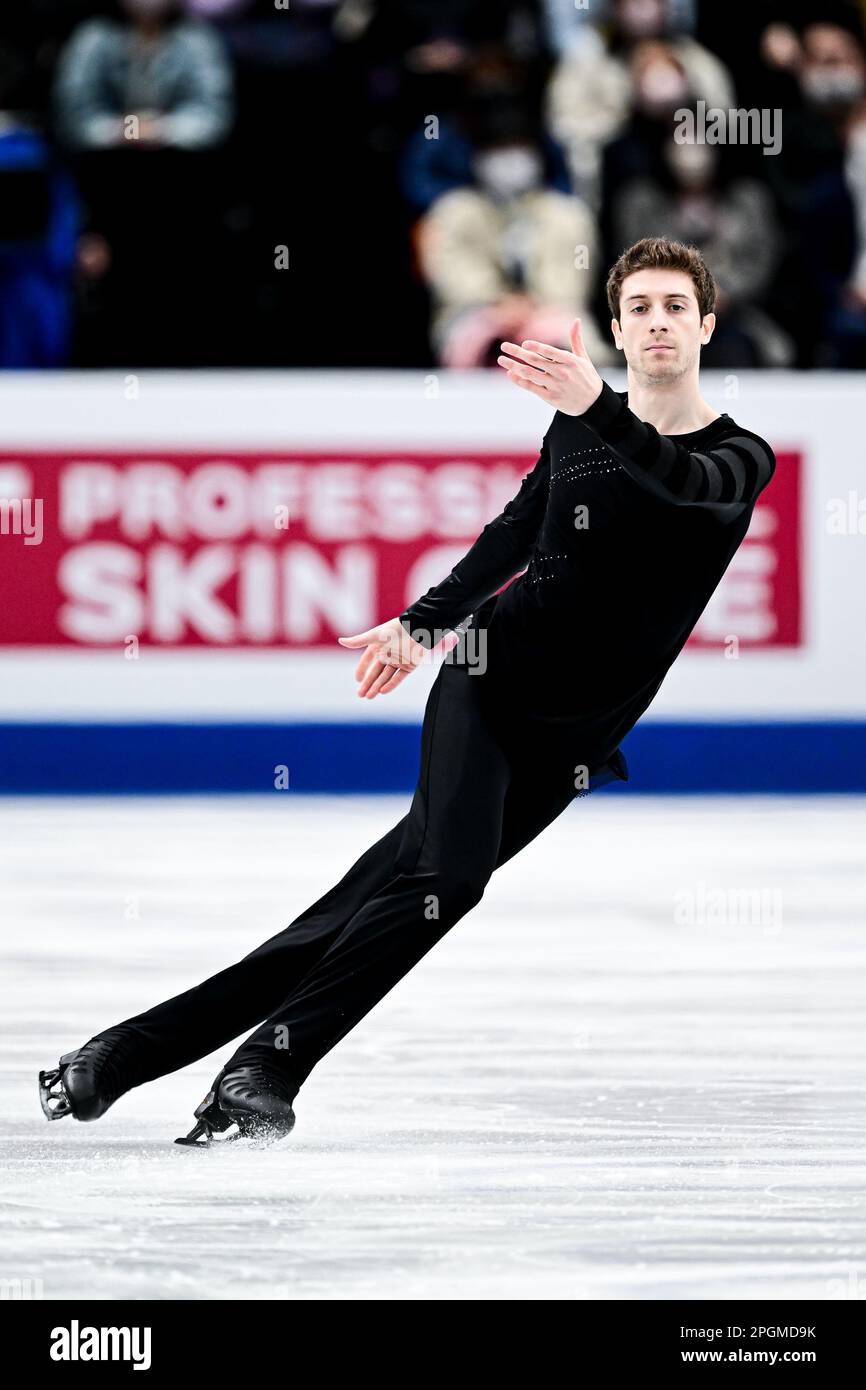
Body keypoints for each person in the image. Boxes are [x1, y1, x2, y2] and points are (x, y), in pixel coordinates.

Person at [38, 236, 776, 1146]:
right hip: (491, 678)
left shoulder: (742, 456)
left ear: (706, 324)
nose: (656, 323)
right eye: (637, 308)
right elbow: (513, 534)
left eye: (674, 307)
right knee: (446, 881)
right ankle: (266, 1067)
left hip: (579, 735)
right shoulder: (580, 423)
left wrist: (598, 408)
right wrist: (423, 625)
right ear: (618, 326)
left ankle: (115, 1060)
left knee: (370, 903)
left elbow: (682, 485)